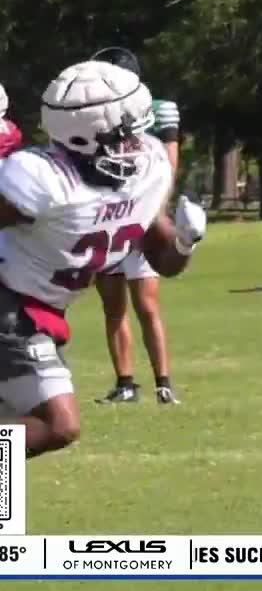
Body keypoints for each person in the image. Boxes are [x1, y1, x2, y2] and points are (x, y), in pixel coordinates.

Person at [0, 60, 206, 457]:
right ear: (84, 137)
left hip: (41, 311)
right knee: (58, 424)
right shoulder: (43, 179)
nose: (138, 144)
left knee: (10, 428)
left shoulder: (145, 170)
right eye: (125, 134)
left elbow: (163, 261)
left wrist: (184, 241)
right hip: (11, 306)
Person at [88, 47, 183, 405]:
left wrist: (154, 208)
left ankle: (163, 381)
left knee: (147, 306)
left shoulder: (158, 109)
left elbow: (170, 163)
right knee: (113, 308)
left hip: (141, 218)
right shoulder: (92, 115)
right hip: (109, 218)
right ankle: (125, 382)